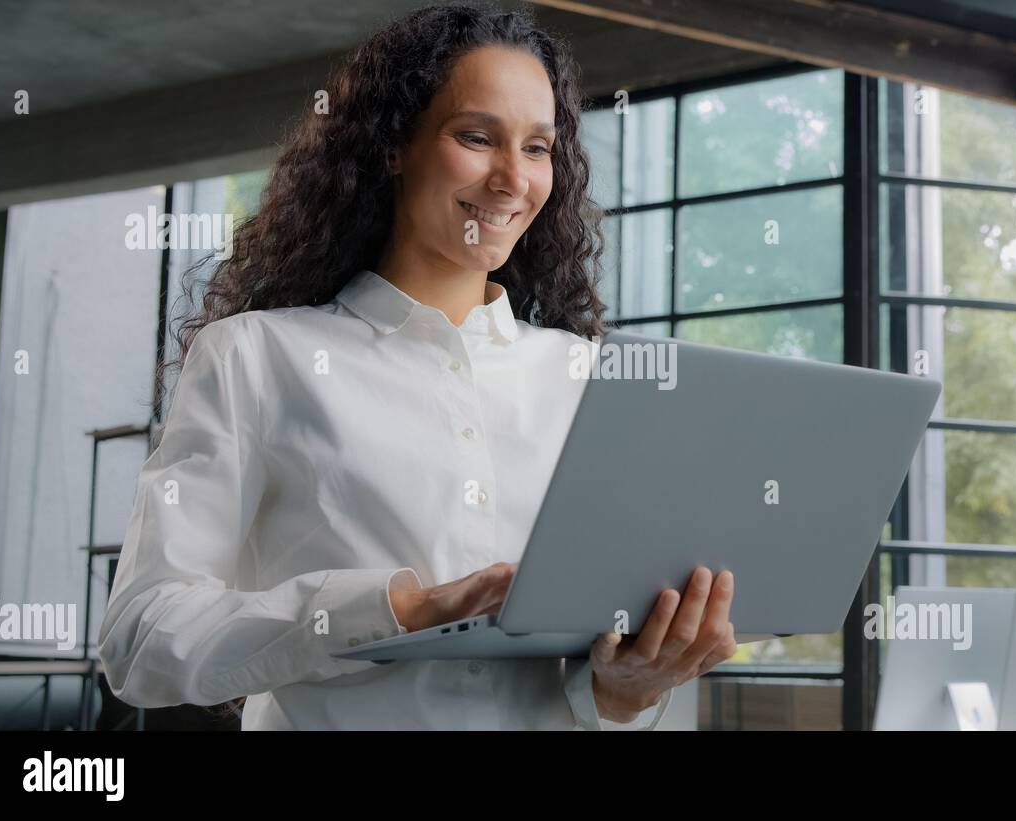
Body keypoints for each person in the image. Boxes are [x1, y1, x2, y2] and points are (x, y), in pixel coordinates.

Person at [97, 3, 737, 730]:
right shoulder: (256, 358)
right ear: (394, 144)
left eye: (536, 148)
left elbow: (599, 678)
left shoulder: (590, 377)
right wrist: (398, 610)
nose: (512, 179)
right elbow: (140, 636)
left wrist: (627, 689)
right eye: (476, 137)